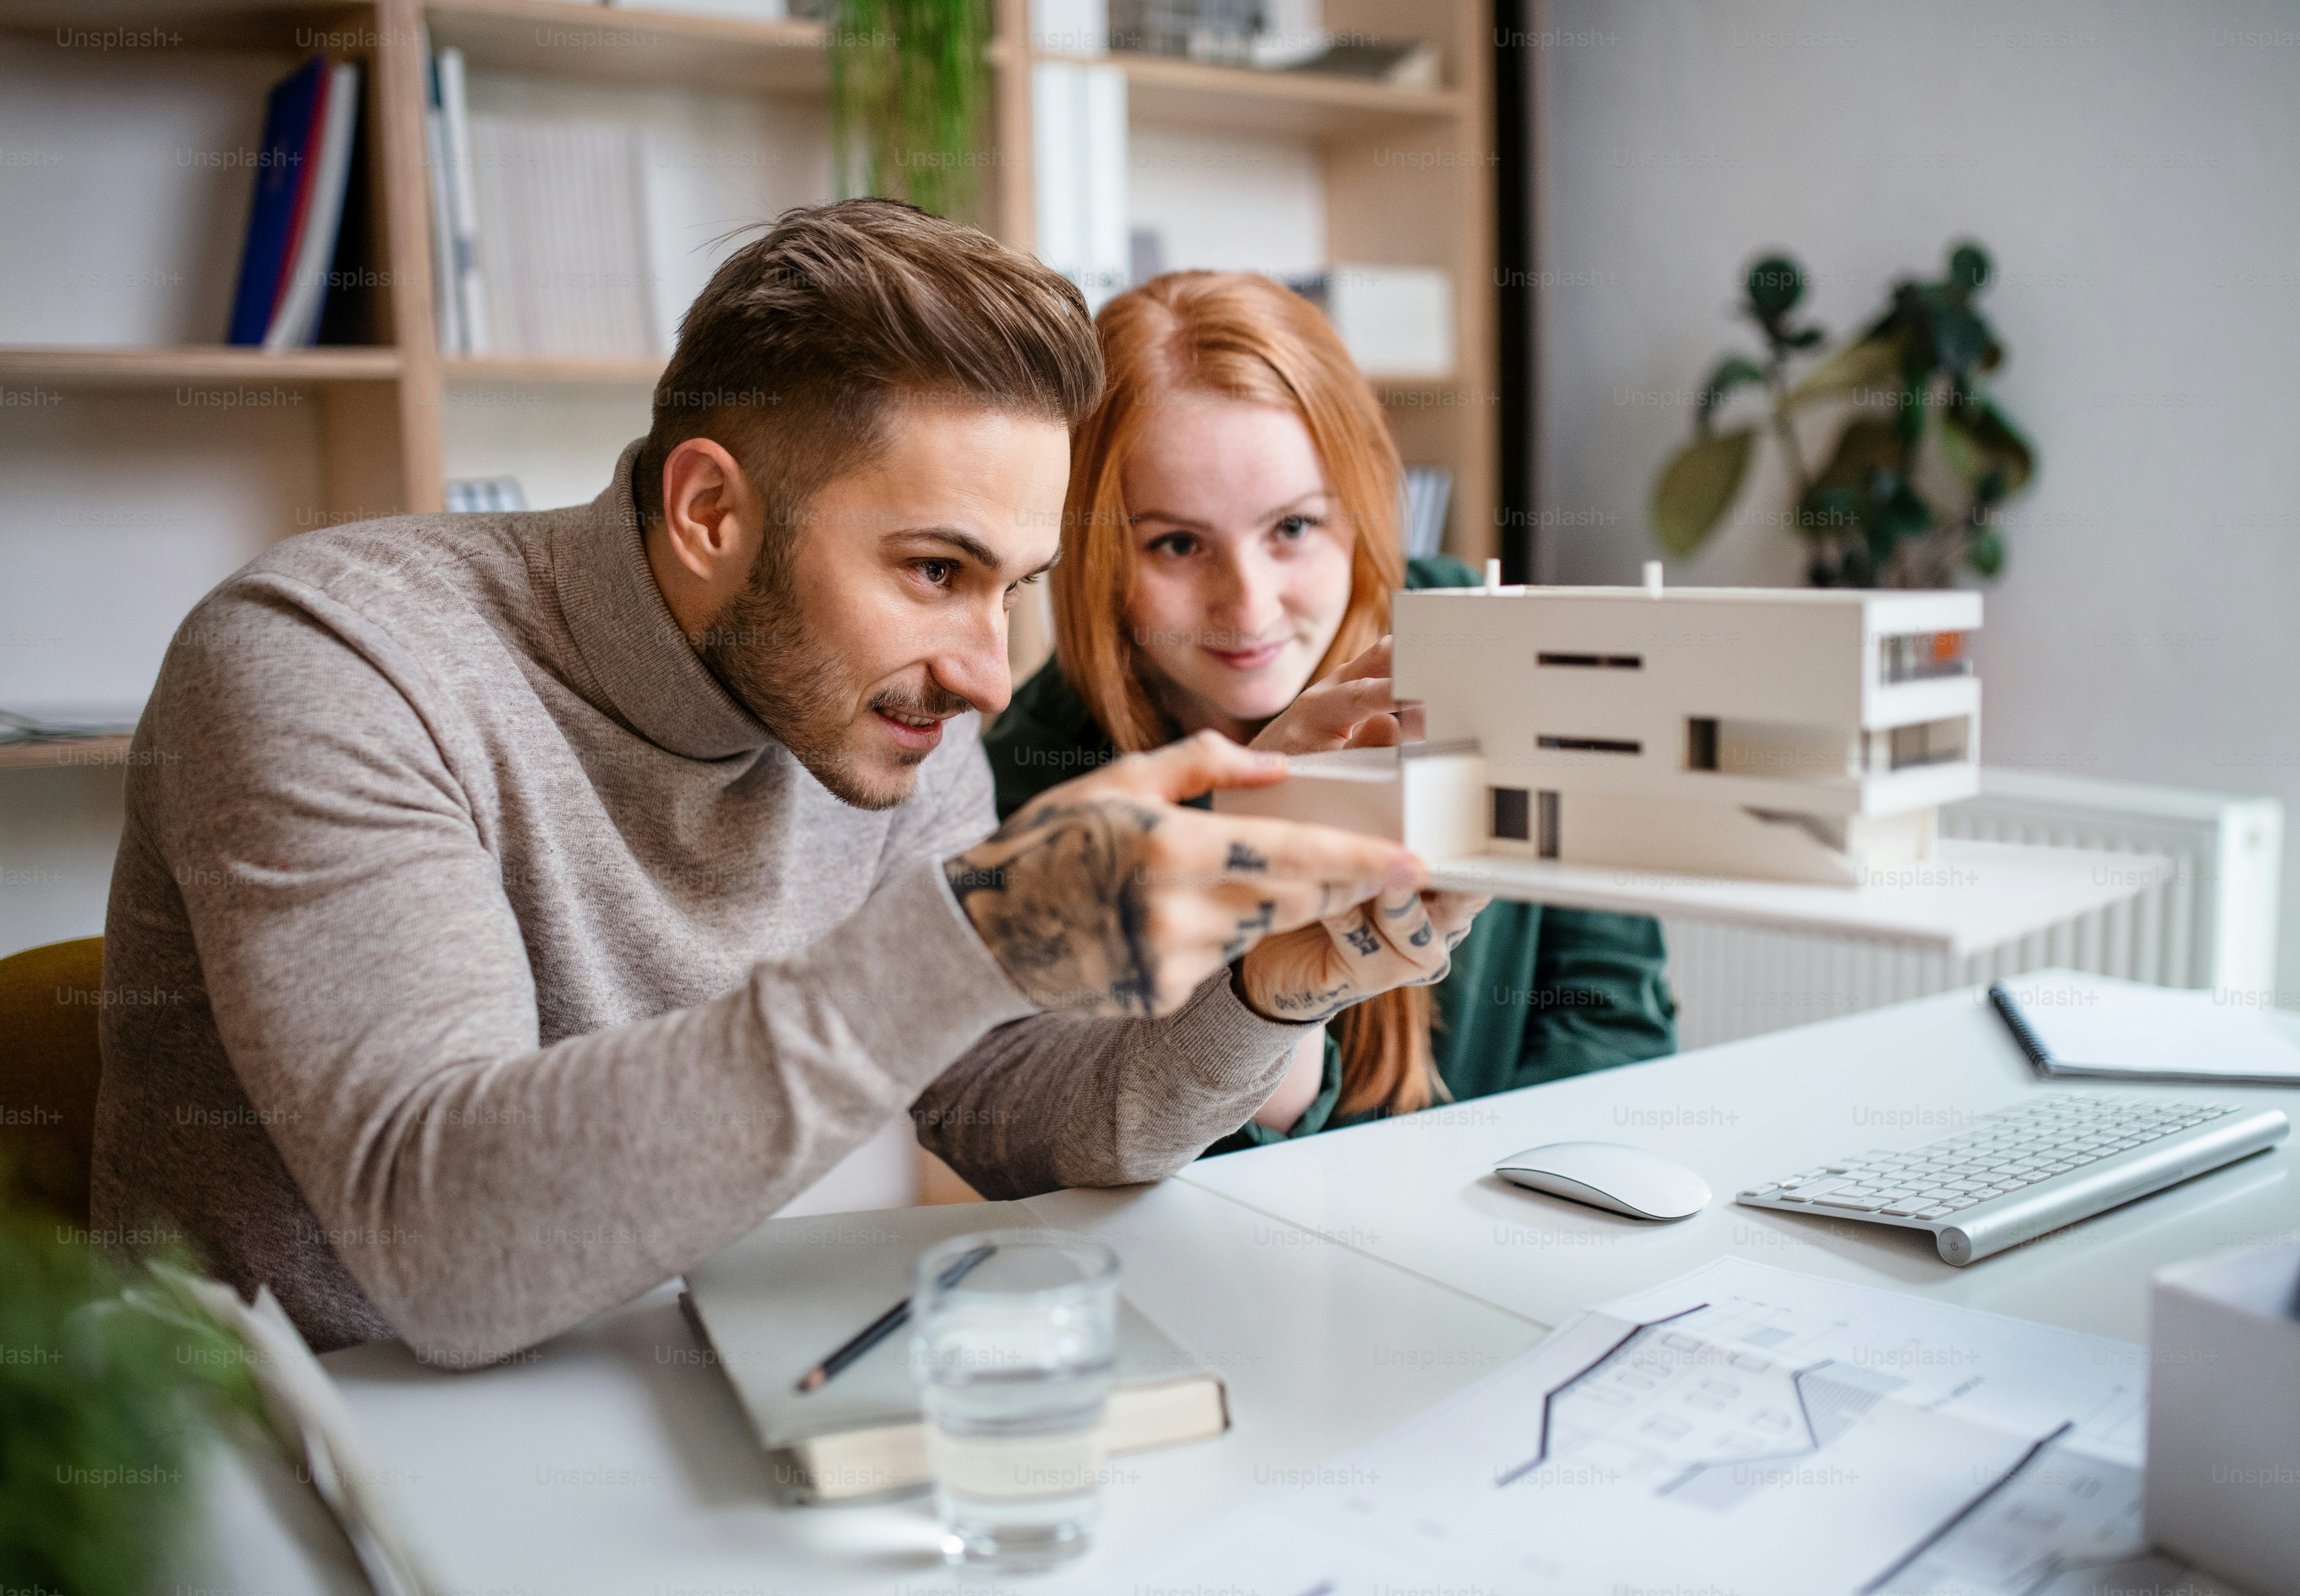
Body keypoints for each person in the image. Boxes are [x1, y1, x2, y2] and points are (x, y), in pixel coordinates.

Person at [89, 203, 1455, 1366]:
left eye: (1016, 586)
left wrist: (1267, 989)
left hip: (672, 1394)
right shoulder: (333, 663)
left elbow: (998, 1110)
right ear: (710, 514)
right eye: (935, 571)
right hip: (277, 1463)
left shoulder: (896, 711)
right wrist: (983, 929)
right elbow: (440, 1248)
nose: (990, 672)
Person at [986, 272, 1676, 1151]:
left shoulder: (1497, 647)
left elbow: (1617, 1028)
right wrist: (1263, 967)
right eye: (1177, 543)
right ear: (1097, 556)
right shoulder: (1041, 779)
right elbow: (1105, 1147)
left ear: (1361, 506)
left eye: (1294, 529)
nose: (1249, 605)